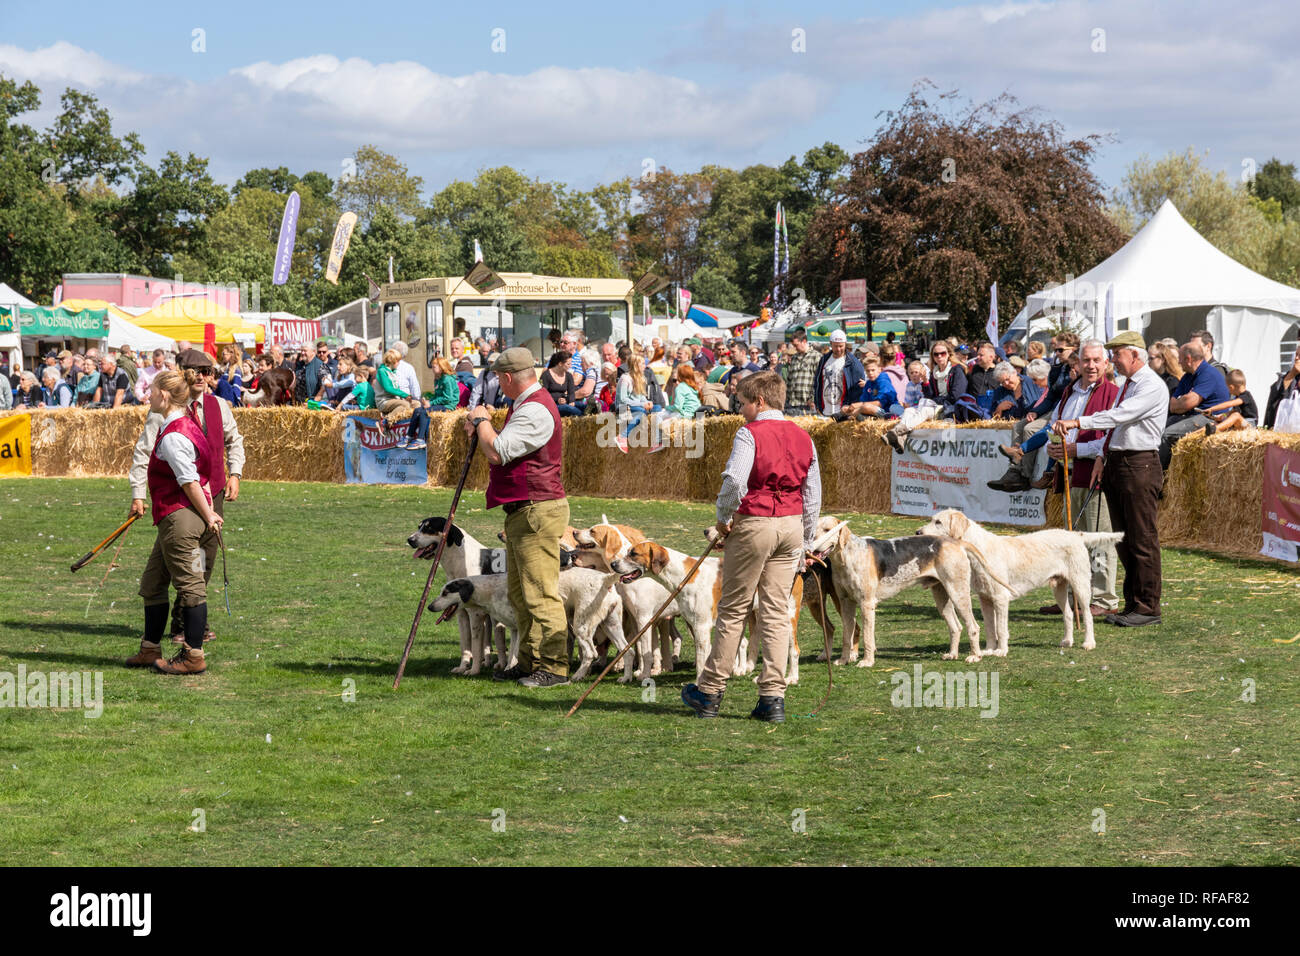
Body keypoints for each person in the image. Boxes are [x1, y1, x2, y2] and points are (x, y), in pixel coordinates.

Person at [681, 371, 821, 723]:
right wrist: (805, 539)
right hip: (790, 526)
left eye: (742, 403)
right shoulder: (804, 435)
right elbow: (813, 494)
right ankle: (772, 697)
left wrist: (723, 517)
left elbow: (734, 480)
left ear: (760, 401)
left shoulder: (749, 433)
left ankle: (710, 691)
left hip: (755, 521)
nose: (739, 410)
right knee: (775, 611)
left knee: (733, 609)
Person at [464, 347, 570, 687]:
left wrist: (481, 422)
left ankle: (553, 667)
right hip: (525, 509)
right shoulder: (525, 405)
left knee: (540, 593)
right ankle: (529, 662)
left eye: (497, 377)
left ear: (508, 377)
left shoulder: (535, 410)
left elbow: (497, 451)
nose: (497, 383)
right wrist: (482, 426)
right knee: (521, 595)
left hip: (536, 509)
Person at [129, 348, 245, 646]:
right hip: (179, 500)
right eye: (197, 371)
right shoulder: (165, 412)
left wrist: (235, 473)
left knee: (203, 561)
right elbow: (143, 452)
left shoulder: (219, 405)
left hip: (212, 492)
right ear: (182, 373)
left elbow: (234, 441)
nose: (204, 377)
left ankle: (188, 623)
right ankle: (185, 628)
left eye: (208, 372)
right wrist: (138, 493)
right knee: (178, 561)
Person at [1053, 332, 1167, 627]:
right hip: (1120, 462)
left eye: (1116, 354)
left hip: (1139, 464)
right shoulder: (1128, 385)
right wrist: (1103, 456)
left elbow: (1117, 417)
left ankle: (1148, 606)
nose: (1113, 360)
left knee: (1142, 538)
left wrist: (1078, 422)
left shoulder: (1151, 386)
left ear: (1134, 355)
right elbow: (1115, 428)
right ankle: (1133, 603)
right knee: (1124, 539)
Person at [124, 368, 224, 675]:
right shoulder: (187, 424)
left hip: (181, 521)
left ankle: (193, 655)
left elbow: (189, 481)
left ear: (164, 396)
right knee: (152, 583)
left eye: (152, 391)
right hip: (176, 518)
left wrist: (209, 515)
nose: (148, 396)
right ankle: (150, 648)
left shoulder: (173, 436)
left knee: (191, 587)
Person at [1159, 341, 1230, 468]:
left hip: (1211, 418)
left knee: (1167, 435)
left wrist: (1184, 401)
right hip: (1192, 415)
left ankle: (1160, 477)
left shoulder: (1209, 374)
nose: (1178, 362)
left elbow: (1186, 404)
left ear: (1188, 359)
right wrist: (1184, 401)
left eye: (1179, 359)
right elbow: (1173, 405)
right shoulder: (1187, 376)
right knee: (1157, 429)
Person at [399, 356, 459, 450]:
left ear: (441, 367)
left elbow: (448, 398)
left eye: (434, 367)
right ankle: (409, 436)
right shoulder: (437, 379)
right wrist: (428, 401)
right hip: (441, 403)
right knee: (417, 410)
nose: (432, 369)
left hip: (448, 406)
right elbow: (437, 395)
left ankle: (420, 440)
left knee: (424, 412)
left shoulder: (447, 379)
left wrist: (431, 404)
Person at [813, 329, 865, 417]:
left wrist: (851, 408)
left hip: (844, 411)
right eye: (835, 346)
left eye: (841, 346)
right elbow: (817, 382)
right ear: (830, 343)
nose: (838, 349)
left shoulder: (853, 363)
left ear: (845, 344)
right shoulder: (824, 360)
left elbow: (858, 388)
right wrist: (817, 404)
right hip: (825, 409)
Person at [839, 353, 897, 419]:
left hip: (887, 411)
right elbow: (864, 400)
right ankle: (854, 416)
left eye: (873, 370)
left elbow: (880, 403)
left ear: (879, 369)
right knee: (844, 408)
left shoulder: (884, 382)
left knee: (866, 407)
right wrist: (855, 407)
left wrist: (858, 405)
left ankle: (848, 417)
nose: (870, 373)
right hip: (869, 409)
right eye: (868, 371)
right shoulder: (869, 383)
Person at [782, 329, 820, 416]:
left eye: (796, 345)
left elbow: (819, 380)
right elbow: (789, 380)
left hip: (807, 404)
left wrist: (814, 399)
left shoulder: (816, 356)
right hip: (792, 404)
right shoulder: (794, 357)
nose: (795, 348)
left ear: (804, 341)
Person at [374, 348, 416, 418]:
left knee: (416, 404)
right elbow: (388, 388)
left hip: (394, 400)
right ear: (392, 361)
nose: (399, 363)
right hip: (384, 401)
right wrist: (405, 395)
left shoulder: (393, 372)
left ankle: (409, 423)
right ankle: (386, 420)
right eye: (398, 361)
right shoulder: (382, 371)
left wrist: (403, 397)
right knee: (405, 405)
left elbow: (396, 388)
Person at [1264, 351, 1300, 428]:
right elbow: (1278, 398)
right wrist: (1292, 374)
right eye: (1296, 354)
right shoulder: (1288, 376)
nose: (1296, 358)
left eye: (1299, 356)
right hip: (1286, 426)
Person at [541, 351, 583, 416]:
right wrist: (557, 400)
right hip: (552, 404)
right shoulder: (546, 375)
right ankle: (582, 416)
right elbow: (543, 395)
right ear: (560, 364)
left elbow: (571, 393)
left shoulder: (568, 375)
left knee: (582, 405)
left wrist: (571, 401)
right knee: (569, 409)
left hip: (564, 401)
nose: (570, 366)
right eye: (568, 364)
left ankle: (591, 410)